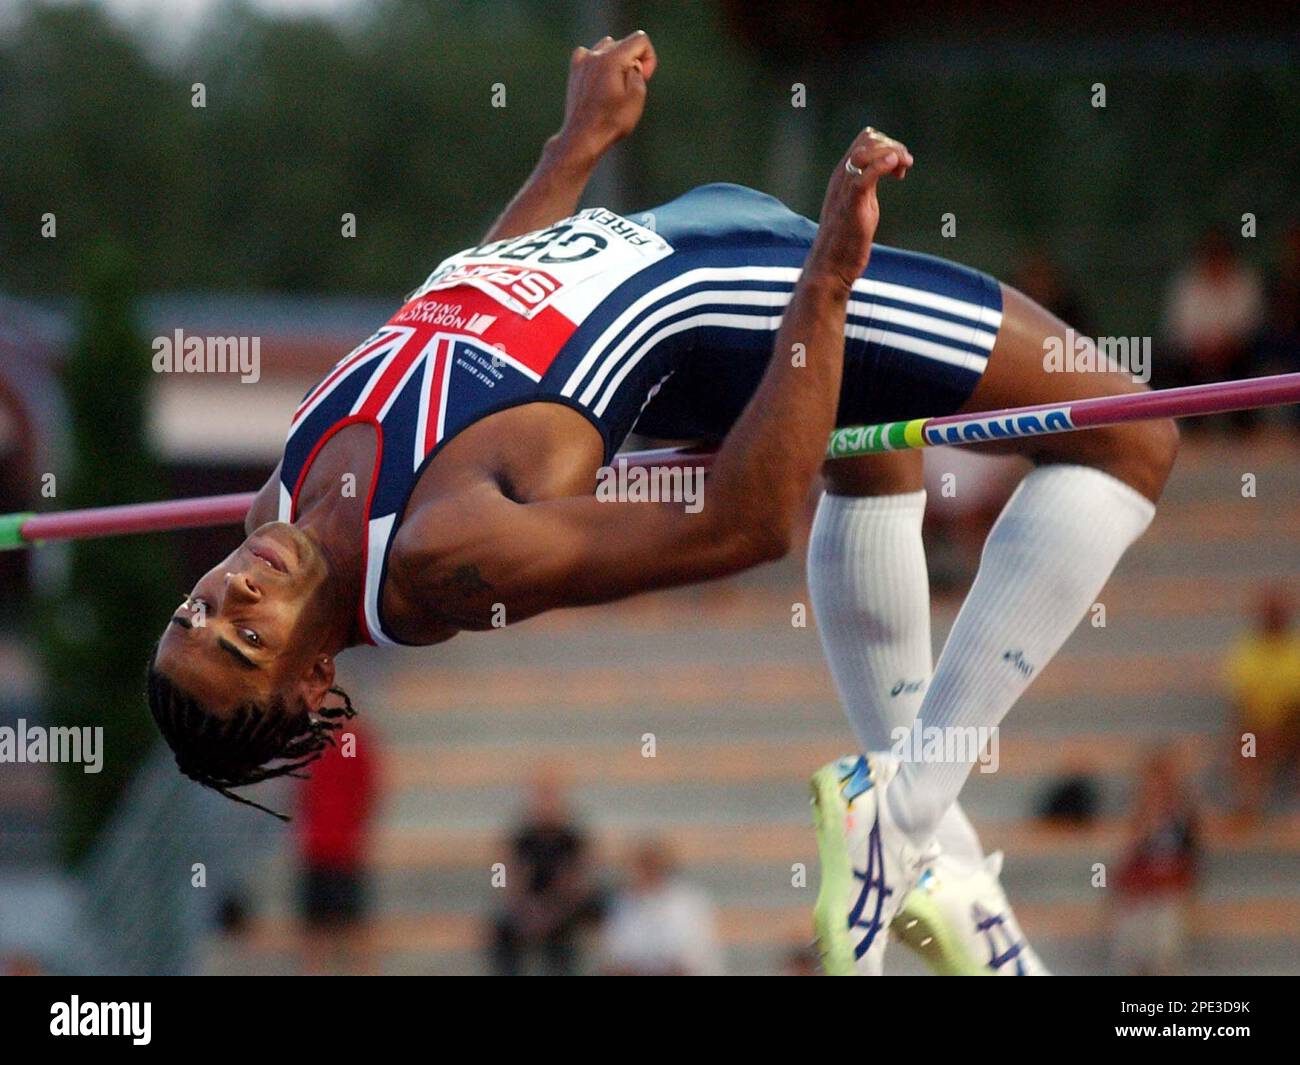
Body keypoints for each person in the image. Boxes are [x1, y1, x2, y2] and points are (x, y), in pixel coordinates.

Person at [145, 31, 1177, 975]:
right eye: (243, 637)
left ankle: (935, 867)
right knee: (1132, 432)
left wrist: (572, 147)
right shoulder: (441, 555)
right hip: (736, 297)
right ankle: (906, 812)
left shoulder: (279, 498)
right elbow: (743, 524)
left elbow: (468, 299)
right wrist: (825, 280)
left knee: (874, 460)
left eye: (195, 608)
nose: (228, 594)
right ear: (308, 674)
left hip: (684, 242)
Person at [490, 770, 603, 976]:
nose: (545, 806)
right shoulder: (521, 838)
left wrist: (551, 912)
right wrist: (526, 909)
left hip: (563, 909)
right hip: (529, 907)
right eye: (541, 800)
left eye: (549, 799)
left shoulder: (572, 839)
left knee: (562, 934)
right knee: (502, 928)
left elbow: (579, 883)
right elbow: (505, 878)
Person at [296, 718, 379, 975]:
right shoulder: (313, 744)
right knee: (316, 929)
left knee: (350, 927)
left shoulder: (351, 743)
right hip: (318, 847)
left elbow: (365, 790)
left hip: (343, 849)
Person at [1108, 747, 1201, 976]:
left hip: (1168, 895)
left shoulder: (1184, 818)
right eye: (1152, 780)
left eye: (1162, 781)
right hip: (1138, 894)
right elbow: (1119, 865)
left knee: (1165, 942)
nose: (1157, 787)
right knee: (1130, 946)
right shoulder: (1133, 817)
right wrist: (1144, 825)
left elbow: (1191, 863)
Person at [1223, 587, 1300, 820]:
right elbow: (1241, 698)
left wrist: (1282, 725)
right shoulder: (1247, 649)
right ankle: (1248, 804)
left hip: (1292, 728)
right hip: (1257, 729)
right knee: (1246, 744)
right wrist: (1263, 727)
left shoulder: (1295, 648)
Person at [601, 839, 723, 976]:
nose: (643, 872)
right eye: (639, 866)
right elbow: (615, 959)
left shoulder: (689, 902)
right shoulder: (621, 903)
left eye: (650, 866)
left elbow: (695, 959)